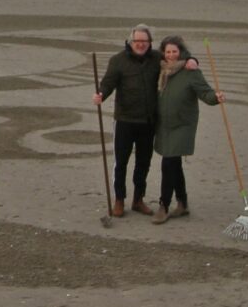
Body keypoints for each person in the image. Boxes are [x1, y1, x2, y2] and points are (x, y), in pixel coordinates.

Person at [93, 25, 196, 218]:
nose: (140, 44)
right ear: (130, 42)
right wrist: (101, 94)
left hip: (148, 122)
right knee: (121, 163)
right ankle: (119, 200)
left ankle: (138, 199)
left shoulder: (157, 58)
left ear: (149, 43)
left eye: (144, 41)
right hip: (124, 120)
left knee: (143, 162)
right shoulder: (118, 61)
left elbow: (178, 56)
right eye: (137, 41)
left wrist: (192, 60)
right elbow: (108, 83)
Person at [151, 34, 220, 224]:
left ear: (181, 52)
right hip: (164, 125)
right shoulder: (161, 70)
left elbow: (205, 92)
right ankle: (182, 203)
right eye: (168, 52)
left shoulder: (190, 71)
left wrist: (215, 97)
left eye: (175, 51)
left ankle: (163, 206)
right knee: (174, 164)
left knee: (168, 162)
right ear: (163, 53)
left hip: (183, 125)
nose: (172, 55)